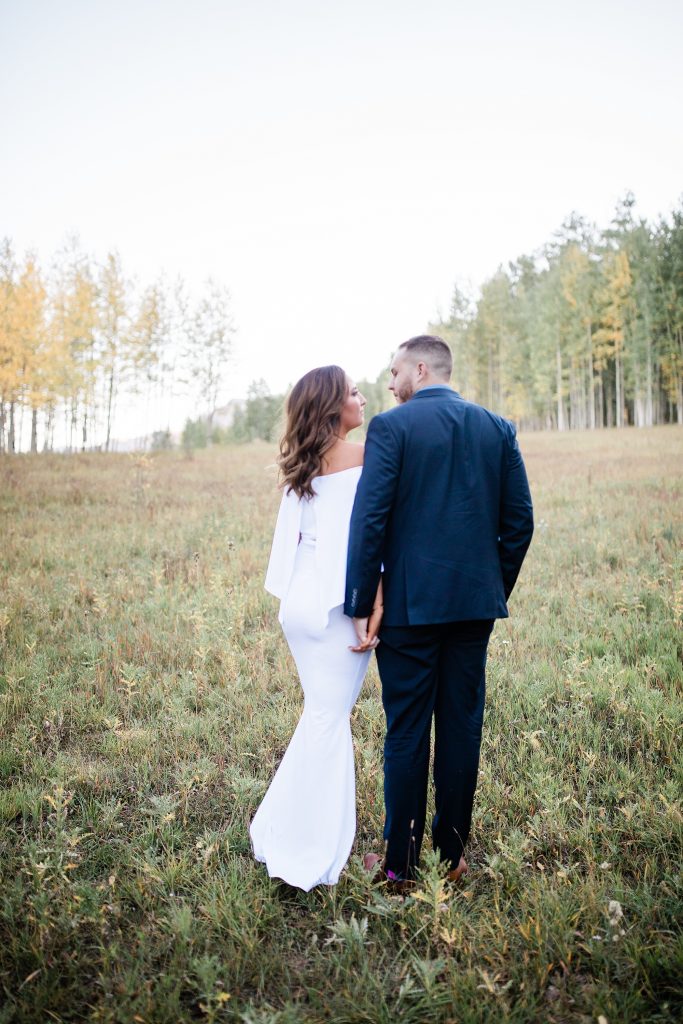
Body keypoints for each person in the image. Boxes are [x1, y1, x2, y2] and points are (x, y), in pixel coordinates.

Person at [345, 335, 533, 889]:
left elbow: (370, 520)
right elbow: (520, 523)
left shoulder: (391, 427)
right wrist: (489, 587)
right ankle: (450, 858)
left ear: (420, 369)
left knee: (406, 731)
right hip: (473, 609)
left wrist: (361, 600)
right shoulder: (497, 428)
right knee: (460, 729)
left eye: (395, 371)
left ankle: (400, 866)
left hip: (407, 609)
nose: (389, 382)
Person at [250, 365, 382, 891]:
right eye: (353, 392)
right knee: (329, 721)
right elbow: (366, 538)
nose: (363, 397)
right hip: (335, 611)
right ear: (333, 407)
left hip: (299, 609)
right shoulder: (366, 457)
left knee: (320, 716)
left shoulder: (303, 466)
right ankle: (308, 848)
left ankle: (279, 822)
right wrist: (370, 601)